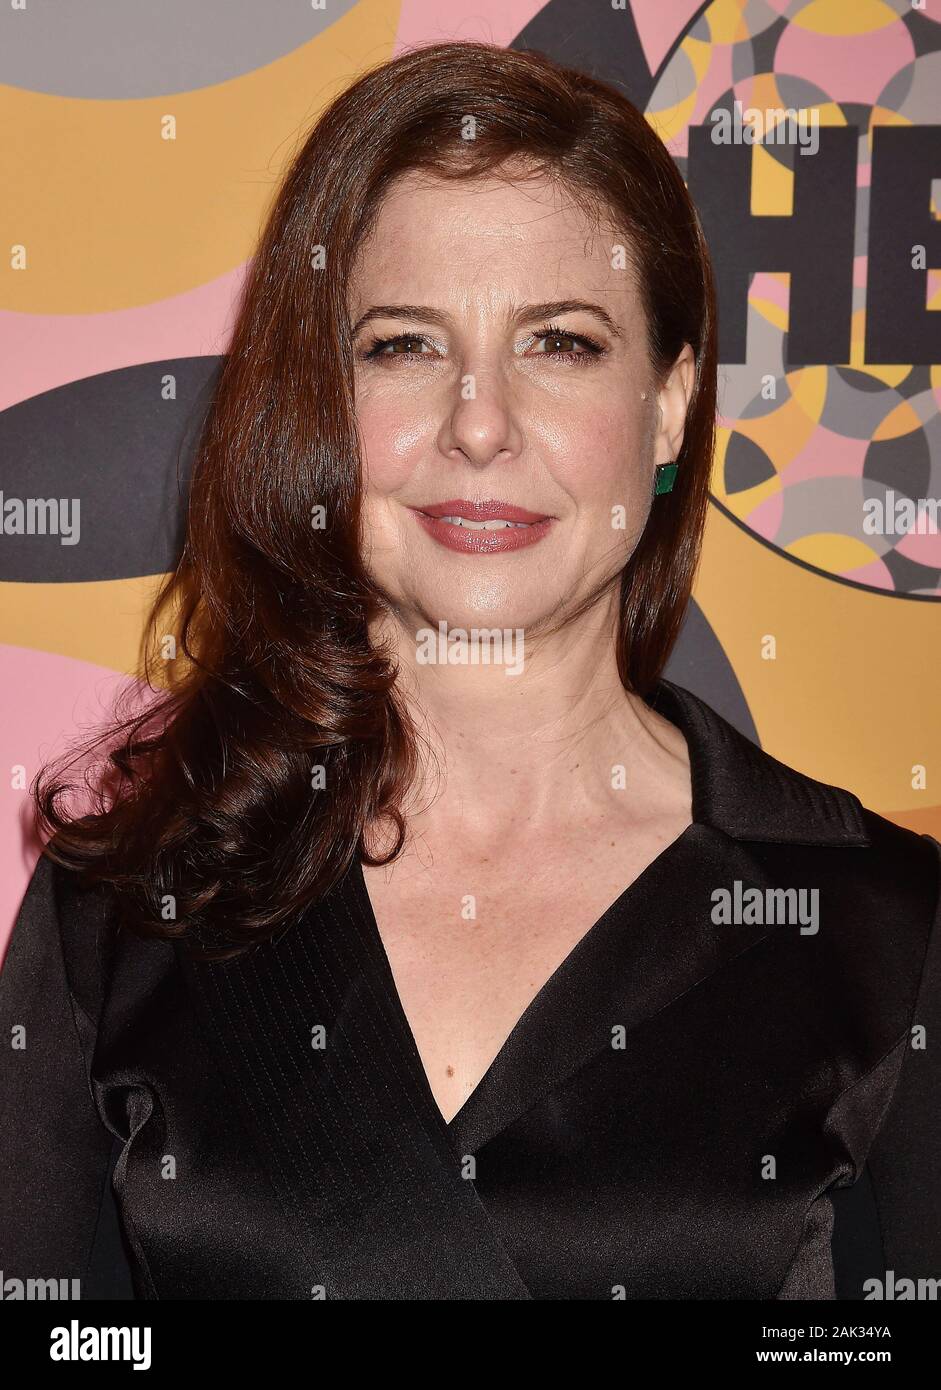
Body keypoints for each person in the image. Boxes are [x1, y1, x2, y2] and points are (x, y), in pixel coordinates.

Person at [1, 40, 938, 1302]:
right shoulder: (126, 903)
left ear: (666, 408)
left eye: (557, 343)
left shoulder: (881, 929)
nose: (478, 422)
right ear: (320, 403)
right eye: (401, 346)